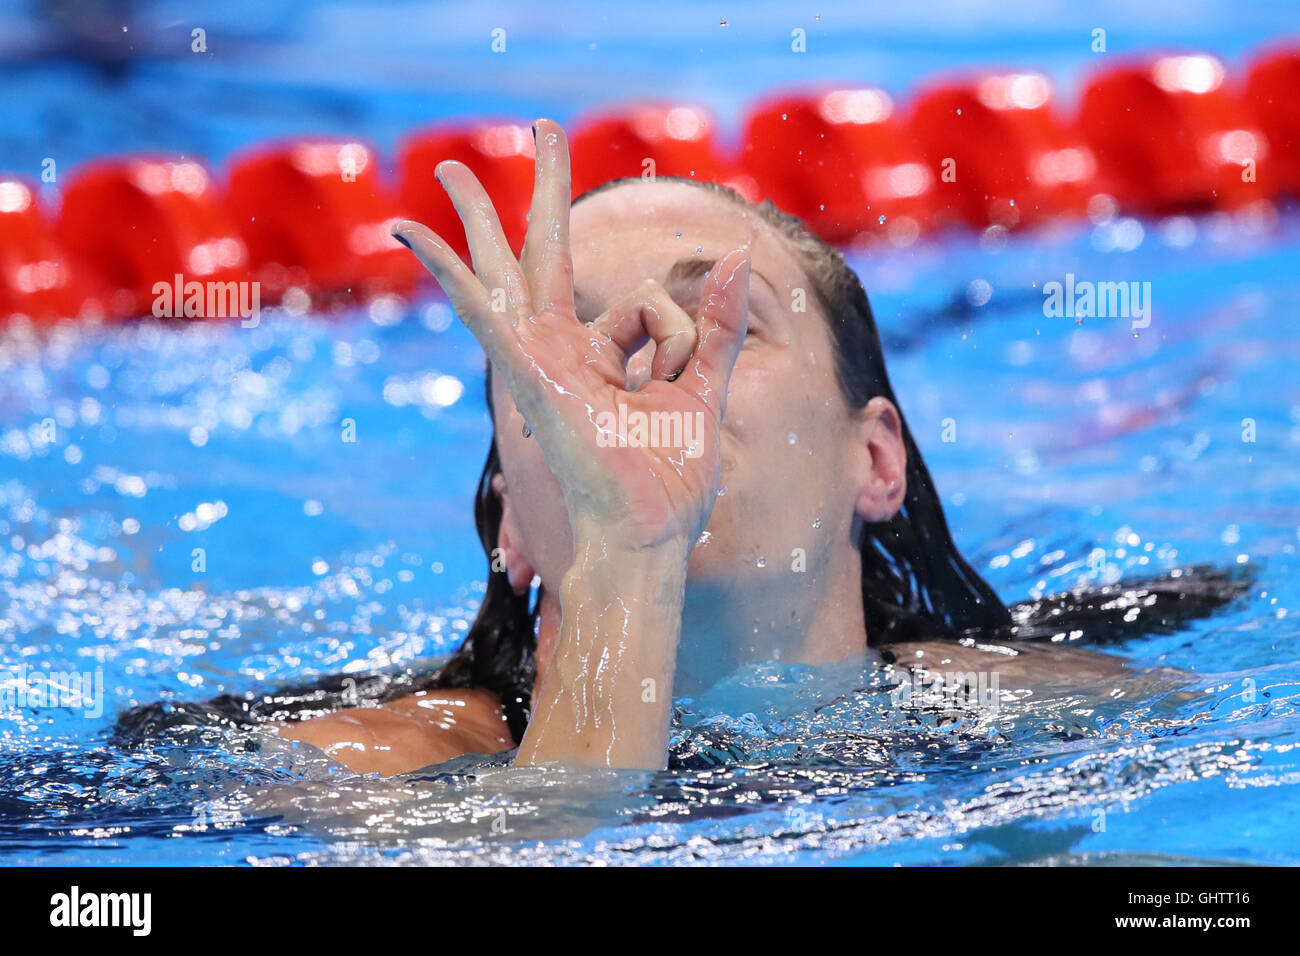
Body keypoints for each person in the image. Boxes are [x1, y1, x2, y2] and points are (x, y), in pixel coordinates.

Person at [114, 119, 1247, 775]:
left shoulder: (1072, 719)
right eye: (572, 347)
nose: (649, 366)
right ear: (510, 516)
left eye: (723, 325)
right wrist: (625, 557)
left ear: (876, 461)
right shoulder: (364, 768)